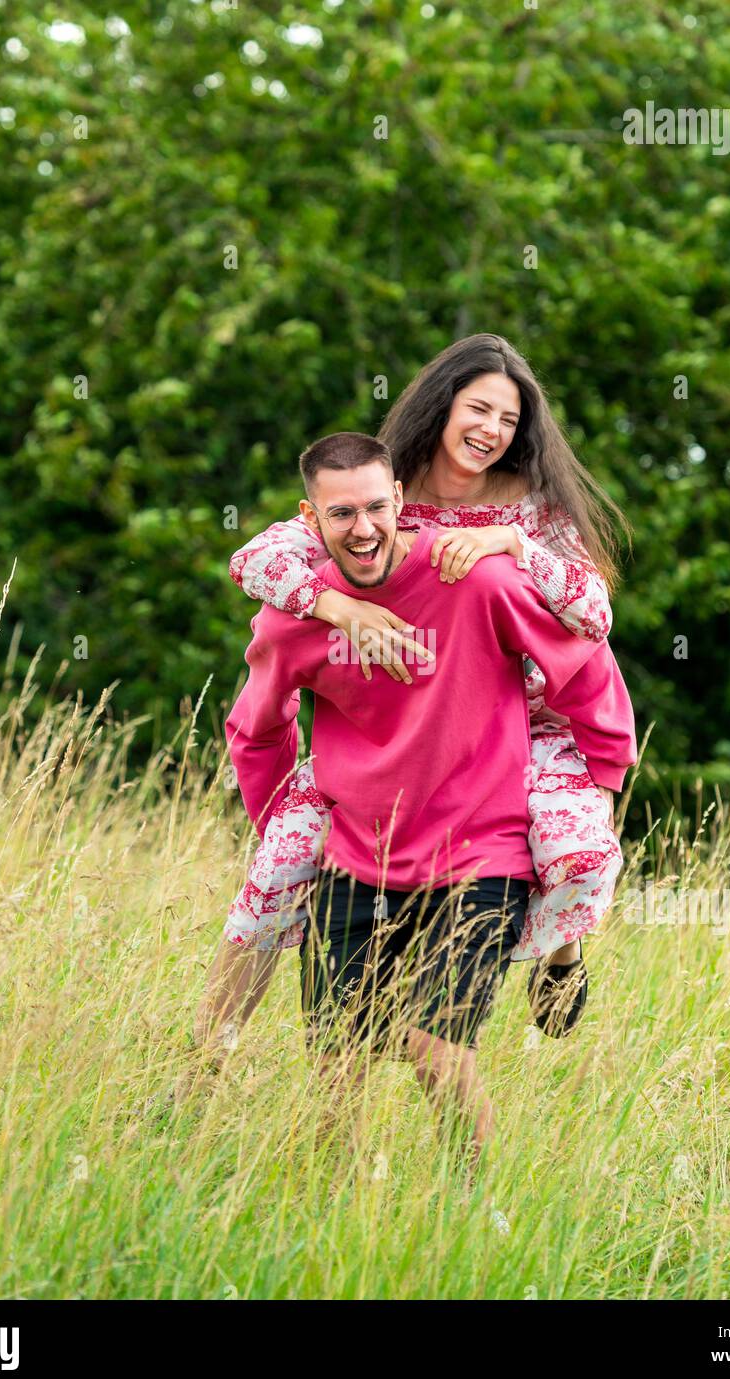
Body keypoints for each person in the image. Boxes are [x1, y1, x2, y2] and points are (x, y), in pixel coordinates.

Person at [194, 334, 632, 1066]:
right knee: (278, 864)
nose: (491, 430)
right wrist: (341, 612)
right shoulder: (383, 491)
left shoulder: (535, 512)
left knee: (578, 850)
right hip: (396, 717)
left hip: (524, 722)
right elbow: (256, 560)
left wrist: (512, 547)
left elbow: (593, 613)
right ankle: (201, 1061)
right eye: (478, 409)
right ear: (444, 404)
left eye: (508, 419)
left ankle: (560, 958)